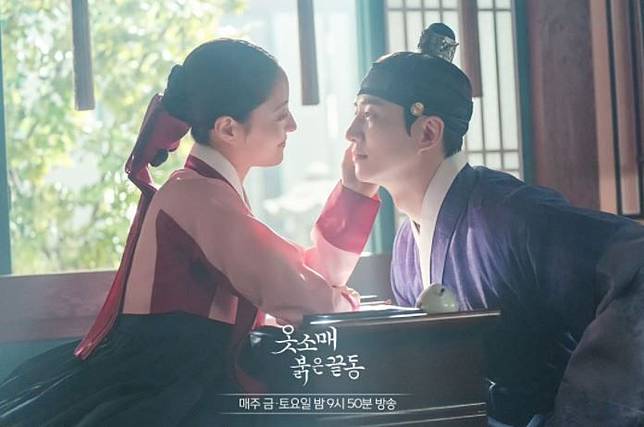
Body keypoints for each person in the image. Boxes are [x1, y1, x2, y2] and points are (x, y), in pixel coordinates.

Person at [0, 38, 380, 426]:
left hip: (182, 382)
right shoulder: (199, 196)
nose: (293, 125)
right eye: (281, 114)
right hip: (168, 388)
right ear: (228, 128)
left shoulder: (207, 191)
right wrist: (344, 304)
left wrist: (355, 193)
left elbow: (298, 281)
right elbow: (300, 294)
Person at [345, 23, 644, 427]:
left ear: (427, 132)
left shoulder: (507, 215)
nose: (351, 133)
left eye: (370, 115)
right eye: (356, 114)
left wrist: (584, 410)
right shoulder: (406, 247)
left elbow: (636, 263)